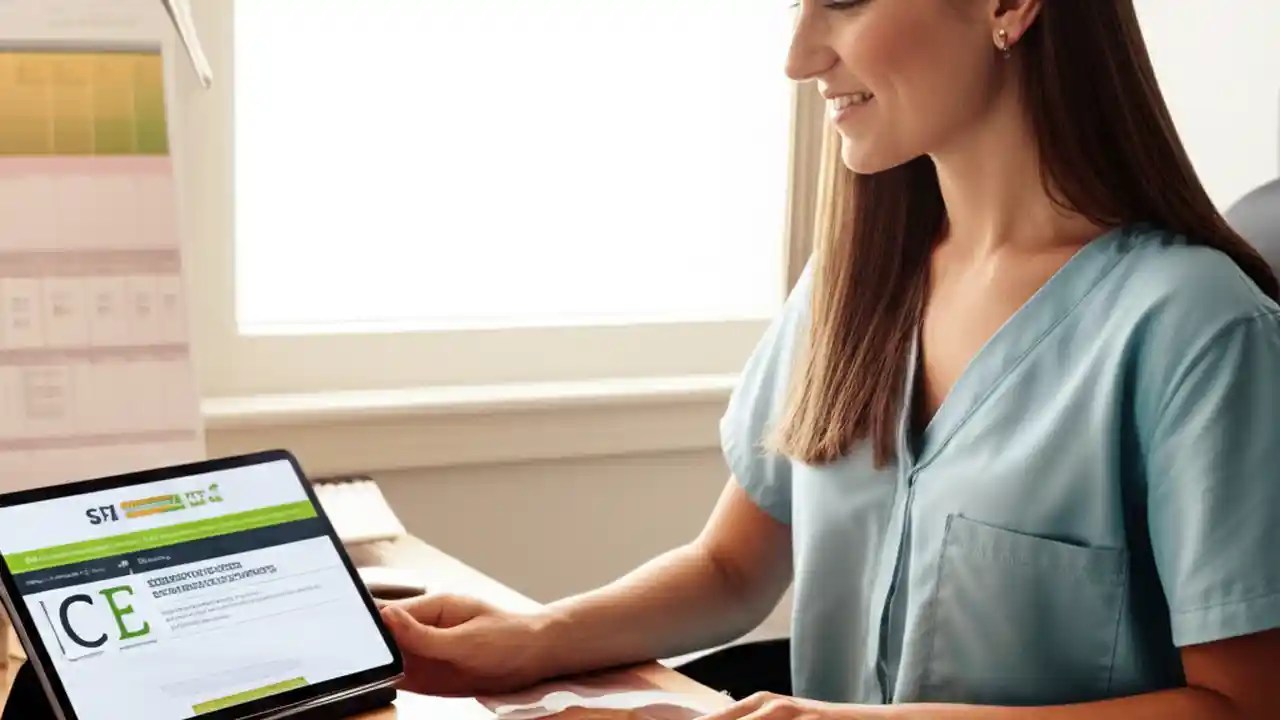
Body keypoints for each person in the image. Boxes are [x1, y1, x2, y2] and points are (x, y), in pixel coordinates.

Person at [380, 1, 1280, 717]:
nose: (799, 55)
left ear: (1011, 5)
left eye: (842, 2)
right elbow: (734, 568)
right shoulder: (854, 283)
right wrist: (532, 636)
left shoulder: (1197, 328)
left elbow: (1246, 704)